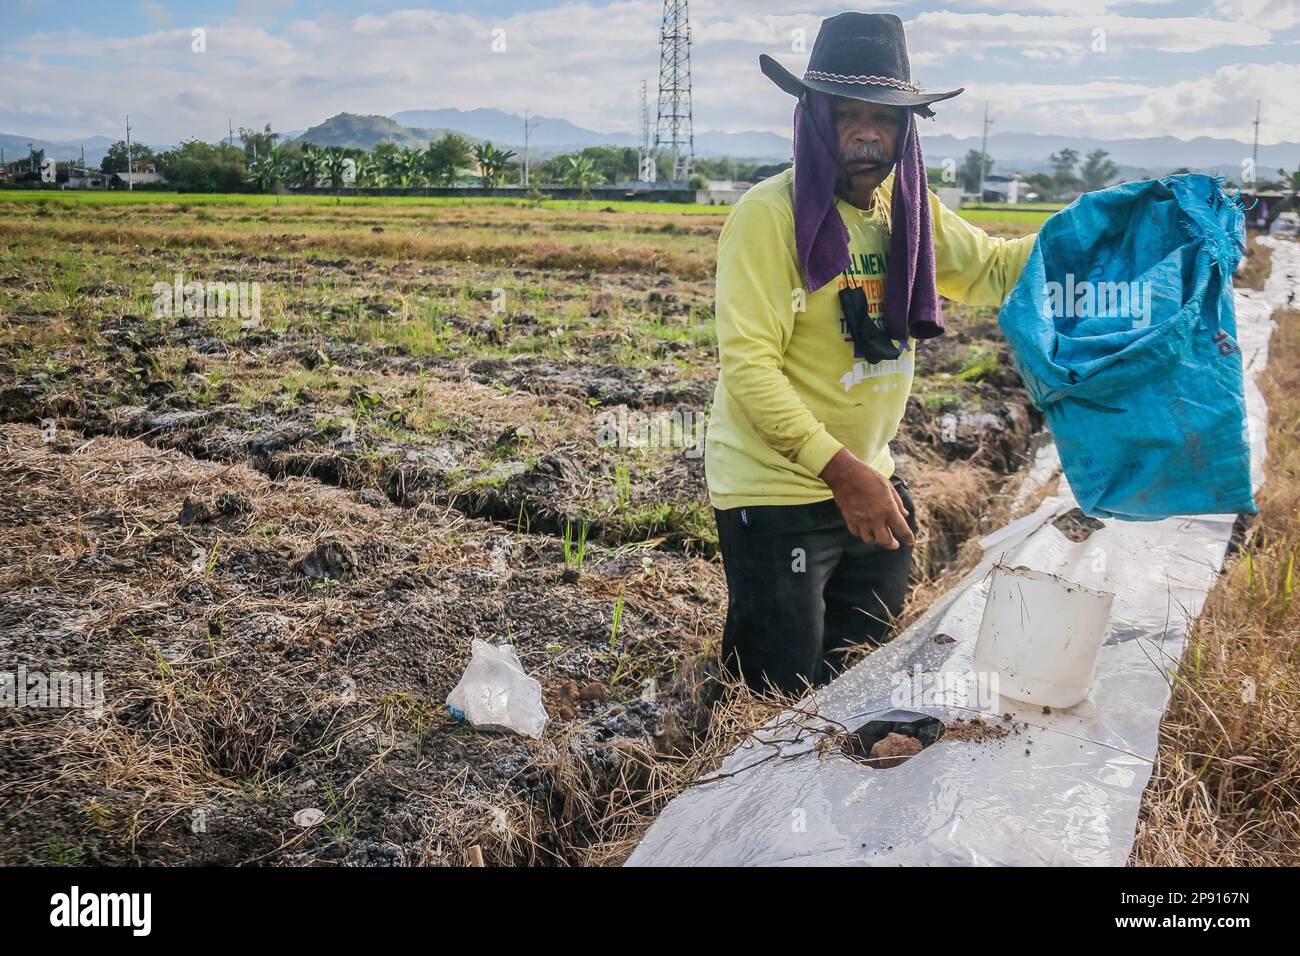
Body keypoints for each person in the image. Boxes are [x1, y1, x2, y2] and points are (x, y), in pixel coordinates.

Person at [705, 12, 1037, 696]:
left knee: (858, 684)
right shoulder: (769, 217)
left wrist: (1108, 226)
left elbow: (998, 270)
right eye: (846, 115)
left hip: (870, 482)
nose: (865, 132)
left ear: (905, 129)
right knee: (772, 700)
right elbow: (749, 370)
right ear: (814, 119)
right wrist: (843, 473)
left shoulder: (907, 209)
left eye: (882, 118)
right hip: (776, 494)